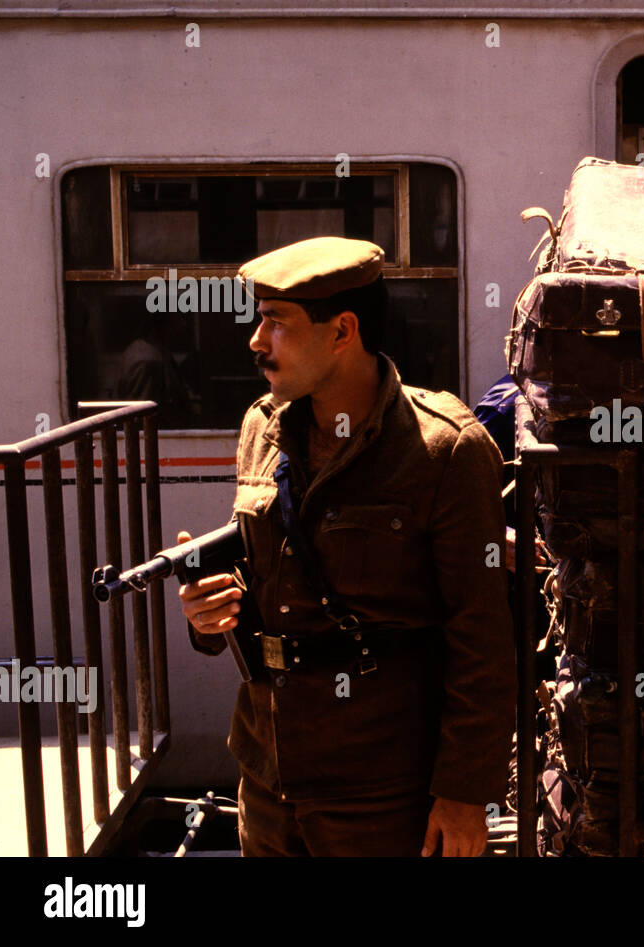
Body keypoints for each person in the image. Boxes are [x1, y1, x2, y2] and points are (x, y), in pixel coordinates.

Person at [176, 236, 516, 857]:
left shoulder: (443, 450)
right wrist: (209, 615)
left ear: (342, 331)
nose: (256, 342)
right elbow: (266, 586)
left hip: (383, 793)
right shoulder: (262, 426)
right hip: (269, 780)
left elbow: (484, 637)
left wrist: (465, 796)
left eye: (275, 323)